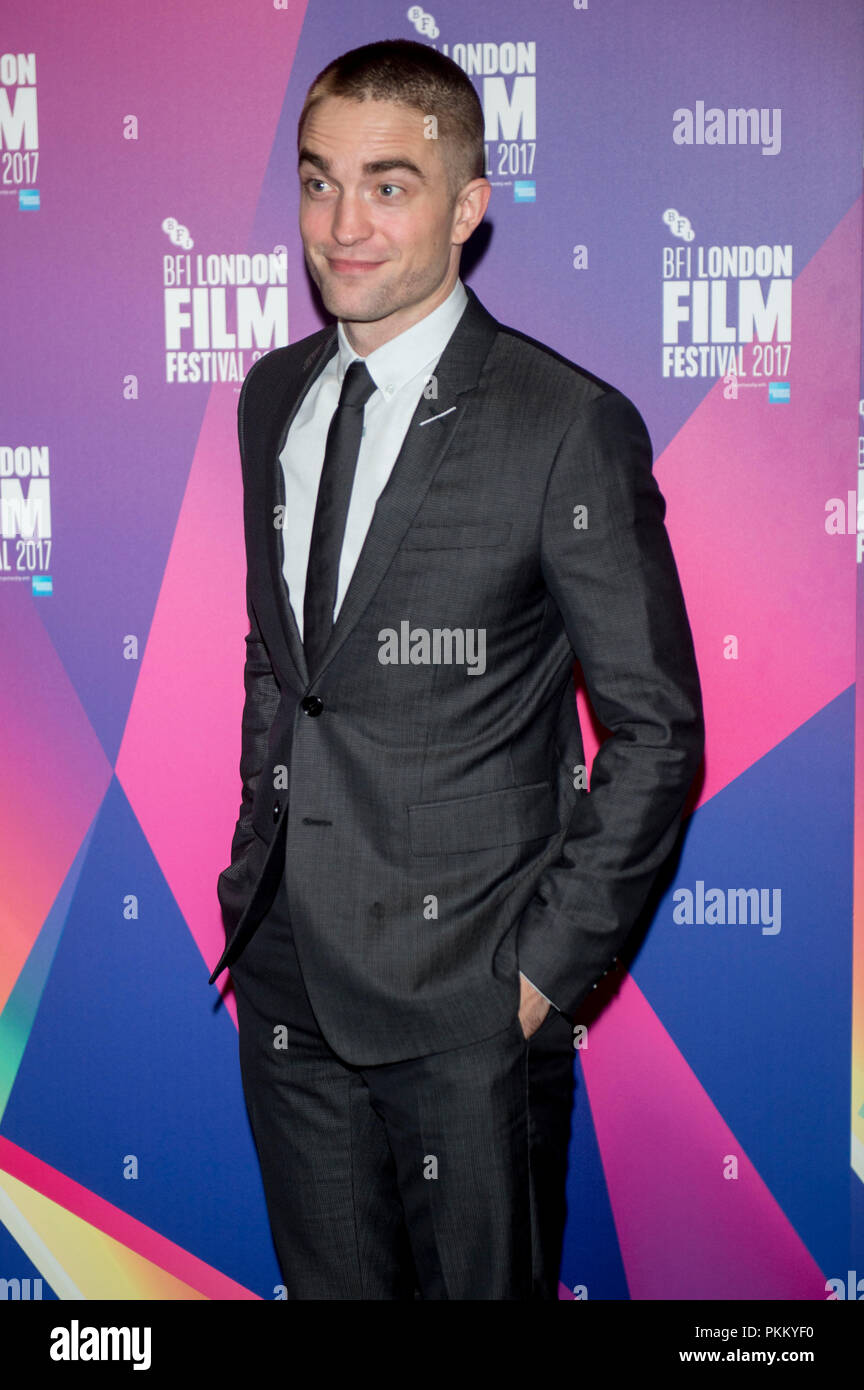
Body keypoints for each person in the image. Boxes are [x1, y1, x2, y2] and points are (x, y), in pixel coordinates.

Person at [209, 38, 704, 1300]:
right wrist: (247, 876)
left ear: (467, 207)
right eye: (319, 181)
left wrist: (535, 981)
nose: (342, 224)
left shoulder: (563, 425)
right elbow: (288, 665)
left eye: (388, 184)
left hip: (467, 1002)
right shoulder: (275, 397)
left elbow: (654, 733)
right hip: (285, 979)